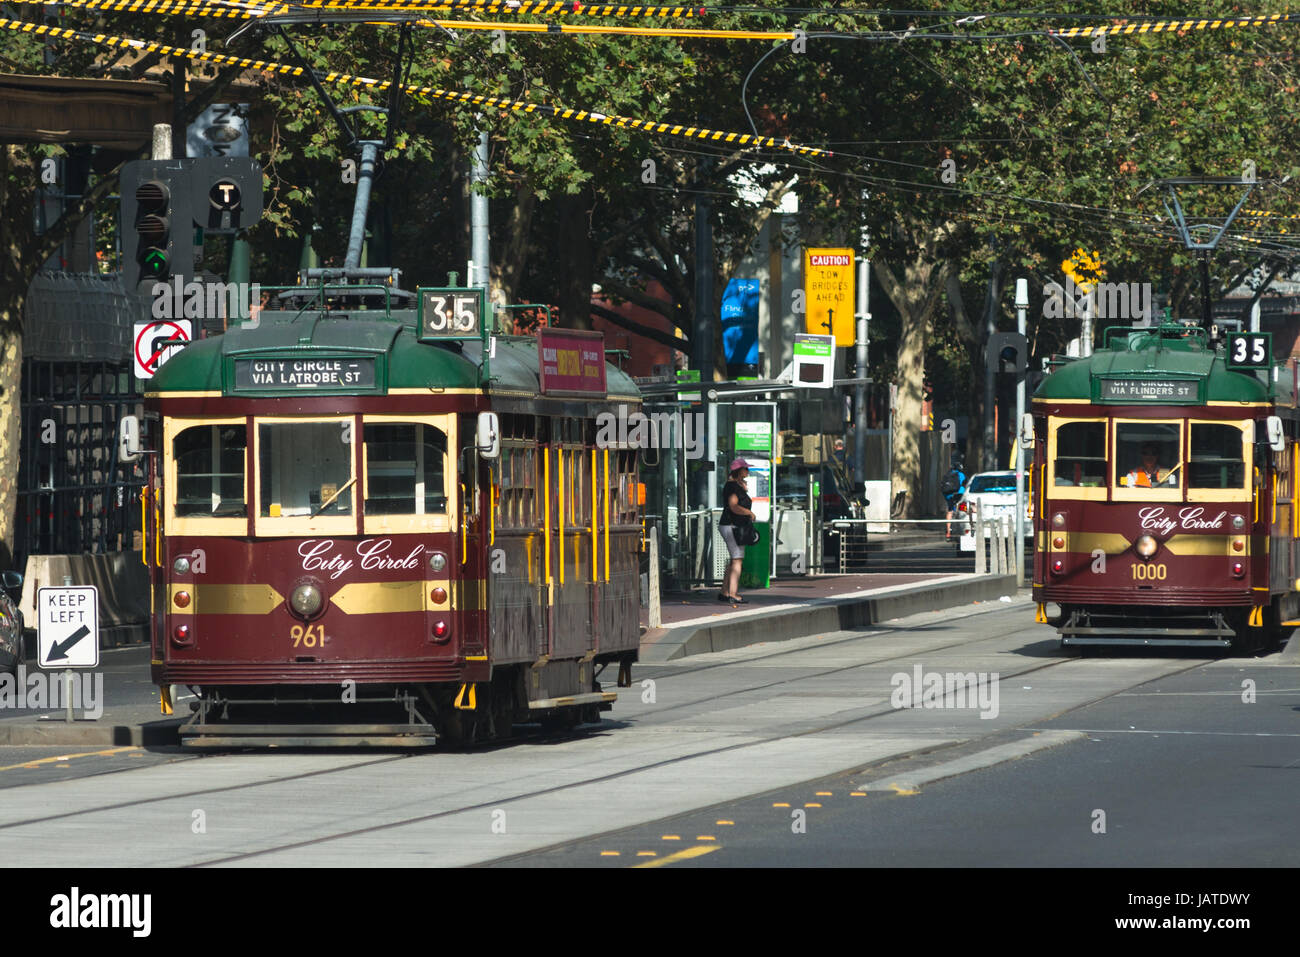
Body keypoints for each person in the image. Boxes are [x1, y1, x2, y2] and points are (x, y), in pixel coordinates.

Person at [718, 458, 756, 604]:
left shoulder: (734, 485)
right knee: (737, 559)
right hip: (732, 525)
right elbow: (733, 506)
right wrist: (749, 513)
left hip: (730, 525)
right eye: (746, 469)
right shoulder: (733, 487)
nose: (748, 471)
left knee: (734, 560)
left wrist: (744, 489)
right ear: (739, 470)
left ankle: (725, 592)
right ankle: (733, 594)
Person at [941, 457, 967, 540]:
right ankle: (959, 528)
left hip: (947, 494)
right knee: (960, 509)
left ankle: (948, 532)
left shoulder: (948, 474)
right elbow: (966, 484)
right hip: (958, 494)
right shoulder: (961, 475)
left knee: (950, 511)